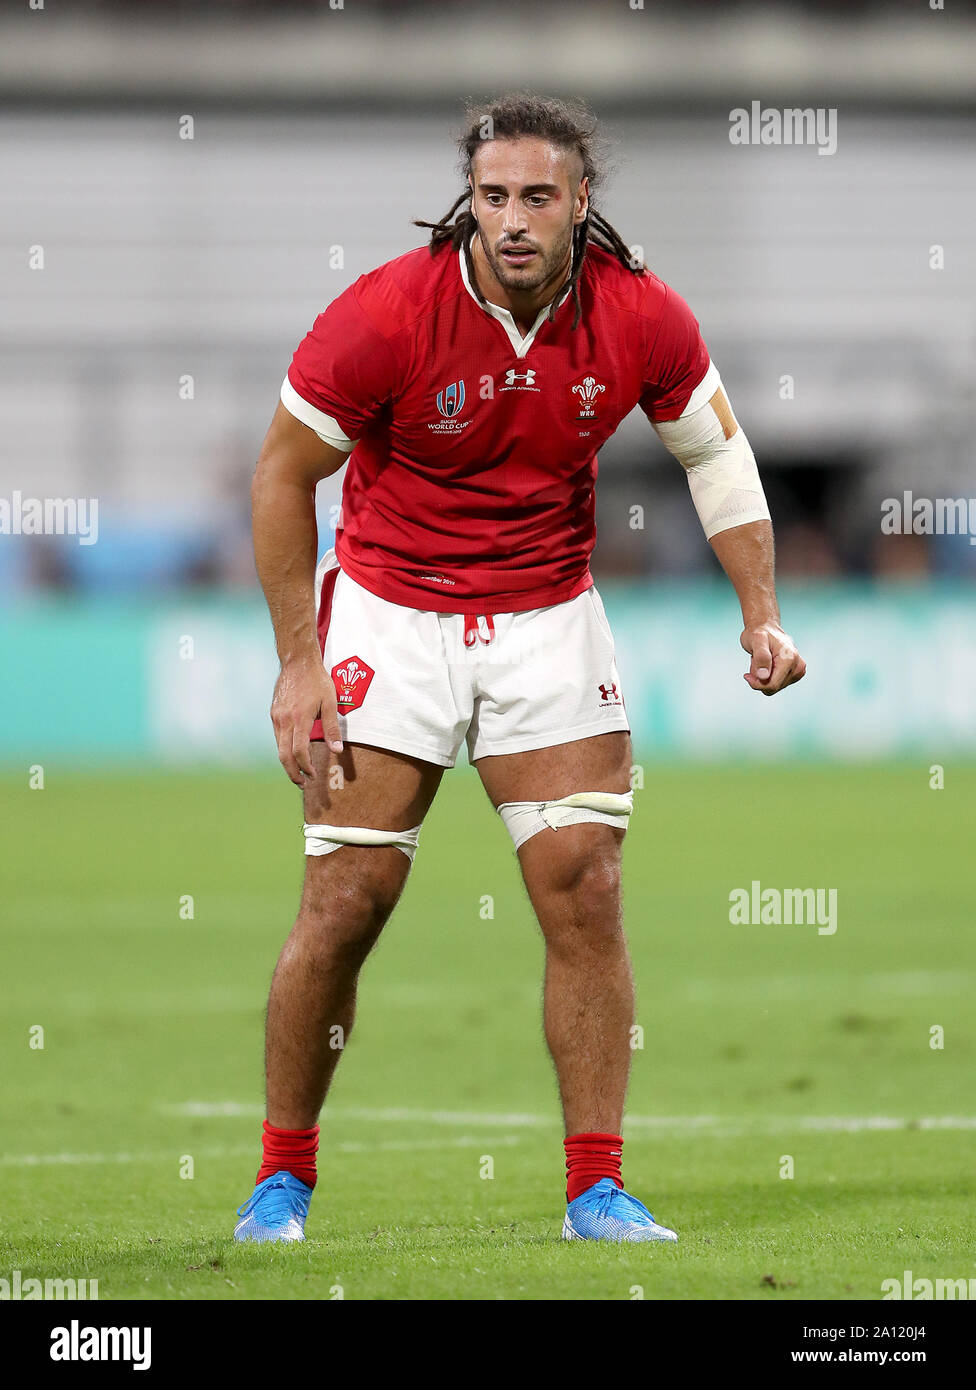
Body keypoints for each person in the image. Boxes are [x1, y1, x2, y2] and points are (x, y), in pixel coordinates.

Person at [235, 93, 806, 1245]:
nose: (511, 220)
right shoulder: (386, 313)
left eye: (536, 197)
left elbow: (716, 453)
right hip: (390, 616)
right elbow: (280, 474)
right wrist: (300, 662)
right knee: (347, 900)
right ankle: (280, 1181)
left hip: (546, 616)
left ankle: (595, 1188)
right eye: (492, 196)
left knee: (584, 887)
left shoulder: (639, 314)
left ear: (580, 201)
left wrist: (761, 614)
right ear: (468, 202)